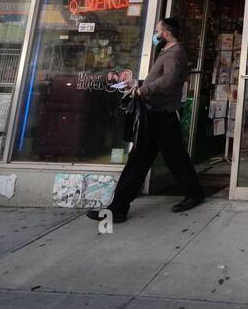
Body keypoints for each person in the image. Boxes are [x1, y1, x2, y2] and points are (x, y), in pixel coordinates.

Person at [88, 17, 205, 224]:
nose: (155, 34)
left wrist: (143, 90)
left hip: (161, 115)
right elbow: (160, 79)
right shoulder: (167, 52)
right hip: (157, 113)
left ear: (165, 34)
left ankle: (119, 208)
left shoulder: (175, 54)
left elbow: (168, 81)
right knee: (154, 159)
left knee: (157, 158)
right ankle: (119, 207)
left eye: (157, 30)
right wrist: (137, 83)